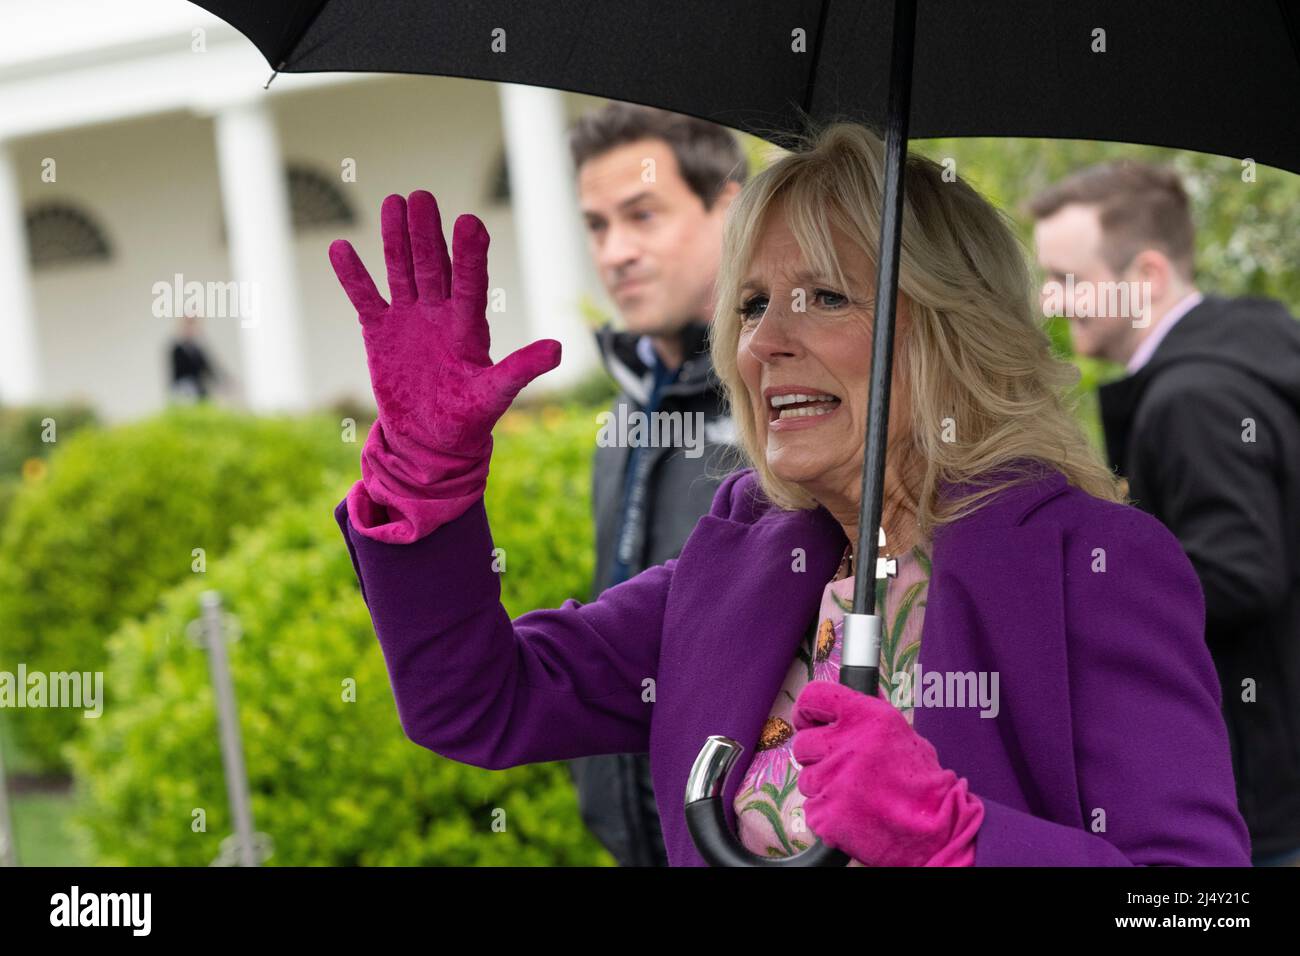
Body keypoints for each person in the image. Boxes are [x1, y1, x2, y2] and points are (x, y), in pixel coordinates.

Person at [329, 122, 1250, 866]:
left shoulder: (1089, 566)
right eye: (752, 303)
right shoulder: (745, 552)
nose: (764, 343)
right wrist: (424, 482)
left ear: (951, 331)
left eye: (824, 296)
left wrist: (959, 841)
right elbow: (484, 700)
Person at [1030, 162, 1300, 866]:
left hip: (1263, 785)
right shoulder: (1235, 364)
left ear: (1144, 276)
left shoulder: (1194, 399)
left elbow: (1244, 570)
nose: (1051, 302)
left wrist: (1087, 592)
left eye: (1066, 279)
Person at [563, 103, 746, 866]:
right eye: (598, 226)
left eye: (642, 216)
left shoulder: (795, 409)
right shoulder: (626, 414)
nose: (615, 252)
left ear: (730, 209)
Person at [167, 310, 226, 402]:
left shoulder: (198, 350)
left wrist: (223, 381)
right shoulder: (177, 350)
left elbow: (210, 369)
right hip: (185, 392)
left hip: (199, 391)